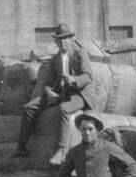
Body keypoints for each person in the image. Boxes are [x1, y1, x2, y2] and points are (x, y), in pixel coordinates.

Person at [16, 24, 94, 165]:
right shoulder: (54, 60)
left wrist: (74, 80)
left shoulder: (80, 54)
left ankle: (61, 150)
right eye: (60, 40)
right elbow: (47, 82)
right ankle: (21, 146)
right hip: (59, 94)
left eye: (66, 39)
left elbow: (88, 76)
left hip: (78, 95)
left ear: (71, 39)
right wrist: (49, 92)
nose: (63, 42)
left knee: (64, 108)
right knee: (28, 107)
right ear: (56, 42)